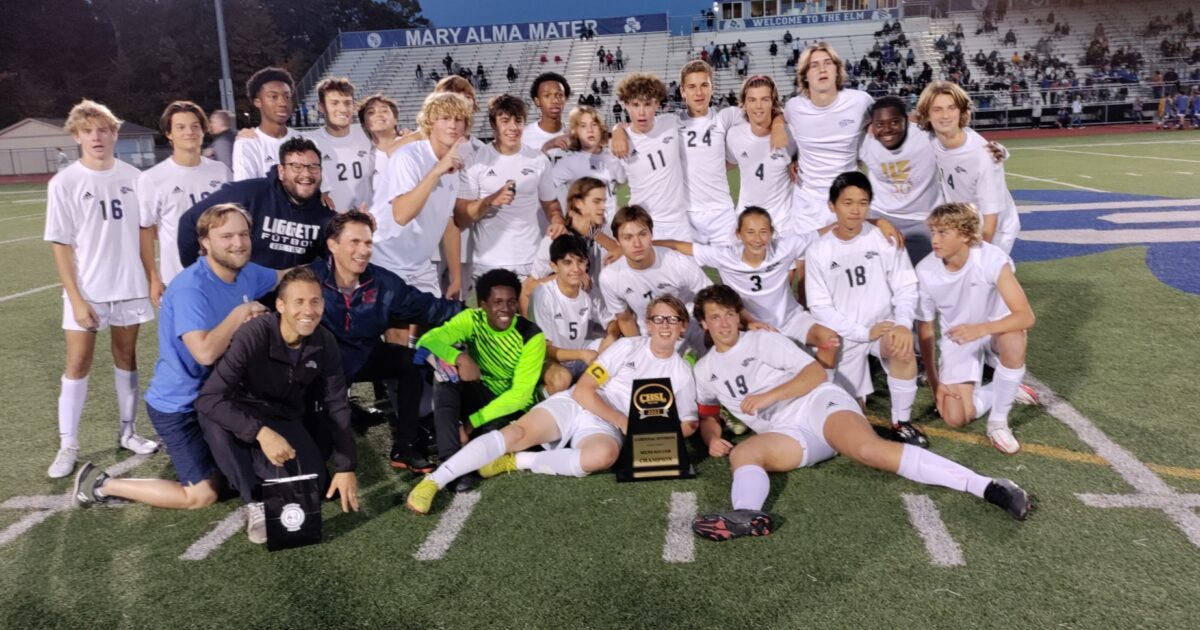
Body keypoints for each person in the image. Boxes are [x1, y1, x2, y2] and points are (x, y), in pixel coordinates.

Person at [690, 285, 1035, 541]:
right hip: (786, 433)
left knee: (869, 450)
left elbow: (813, 374)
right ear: (704, 324)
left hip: (818, 403)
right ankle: (747, 514)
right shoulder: (704, 370)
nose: (724, 323)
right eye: (715, 317)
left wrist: (770, 395)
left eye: (729, 314)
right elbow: (707, 413)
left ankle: (989, 486)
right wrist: (712, 439)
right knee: (746, 453)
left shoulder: (762, 341)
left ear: (739, 316)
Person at [72, 204, 279, 515]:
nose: (238, 242)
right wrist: (240, 313)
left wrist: (338, 257)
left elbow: (287, 276)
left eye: (243, 234)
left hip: (221, 397)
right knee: (203, 495)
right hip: (181, 405)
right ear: (205, 242)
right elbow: (205, 352)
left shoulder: (247, 272)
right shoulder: (190, 287)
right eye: (226, 236)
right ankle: (99, 484)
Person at [406, 296, 698, 514]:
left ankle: (518, 461)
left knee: (603, 456)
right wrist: (626, 424)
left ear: (682, 327)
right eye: (658, 319)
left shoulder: (682, 373)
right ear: (648, 324)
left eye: (672, 320)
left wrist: (656, 434)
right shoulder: (627, 346)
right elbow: (584, 391)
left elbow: (687, 423)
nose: (665, 326)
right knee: (516, 435)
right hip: (578, 404)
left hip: (605, 425)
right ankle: (435, 480)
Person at [192, 267, 360, 545]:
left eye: (315, 301)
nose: (309, 310)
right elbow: (209, 398)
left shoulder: (325, 341)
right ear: (280, 305)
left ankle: (255, 465)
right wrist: (261, 433)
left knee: (316, 486)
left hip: (283, 415)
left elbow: (337, 404)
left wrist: (345, 466)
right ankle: (252, 499)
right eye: (299, 302)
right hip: (239, 409)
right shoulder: (254, 334)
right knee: (215, 422)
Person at [45, 100, 160, 479]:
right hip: (88, 292)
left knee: (126, 359)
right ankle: (68, 444)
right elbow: (61, 246)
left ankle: (127, 431)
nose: (96, 137)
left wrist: (151, 276)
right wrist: (76, 299)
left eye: (103, 130)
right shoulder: (64, 182)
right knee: (78, 364)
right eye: (87, 131)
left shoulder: (135, 177)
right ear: (76, 136)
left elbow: (146, 234)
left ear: (114, 134)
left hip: (129, 286)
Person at [309, 210, 462, 471]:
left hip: (364, 356)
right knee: (319, 457)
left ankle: (405, 445)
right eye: (354, 242)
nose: (363, 250)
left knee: (408, 362)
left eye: (368, 243)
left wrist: (472, 314)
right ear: (332, 245)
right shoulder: (310, 280)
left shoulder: (383, 282)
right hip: (322, 370)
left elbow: (426, 306)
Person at [804, 173, 925, 446]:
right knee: (845, 422)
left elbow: (906, 287)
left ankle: (901, 422)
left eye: (863, 202)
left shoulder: (885, 238)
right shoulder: (819, 250)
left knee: (903, 347)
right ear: (832, 206)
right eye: (847, 202)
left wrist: (903, 323)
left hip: (882, 327)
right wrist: (862, 332)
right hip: (845, 336)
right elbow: (820, 307)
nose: (856, 210)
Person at [916, 203, 1039, 455]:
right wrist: (934, 382)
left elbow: (1025, 316)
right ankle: (1003, 387)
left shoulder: (991, 258)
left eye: (943, 233)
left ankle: (998, 423)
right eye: (933, 232)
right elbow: (925, 330)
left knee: (1014, 337)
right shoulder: (925, 270)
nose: (935, 240)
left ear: (965, 235)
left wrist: (981, 329)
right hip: (958, 338)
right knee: (955, 417)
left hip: (994, 329)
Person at [415, 269, 547, 491]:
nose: (505, 309)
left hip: (508, 408)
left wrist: (470, 423)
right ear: (483, 304)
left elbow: (520, 395)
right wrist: (459, 357)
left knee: (485, 455)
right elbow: (426, 342)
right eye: (497, 302)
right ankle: (450, 461)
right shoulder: (471, 319)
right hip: (478, 391)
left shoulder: (531, 336)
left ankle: (465, 441)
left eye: (511, 302)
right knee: (444, 377)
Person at [654, 207, 837, 363]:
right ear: (739, 234)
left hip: (792, 320)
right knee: (776, 365)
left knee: (830, 341)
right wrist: (642, 246)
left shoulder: (785, 247)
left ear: (772, 233)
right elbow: (677, 245)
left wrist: (859, 221)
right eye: (750, 232)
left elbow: (821, 233)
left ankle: (823, 388)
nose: (757, 239)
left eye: (763, 232)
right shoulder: (725, 256)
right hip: (752, 328)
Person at [455, 95, 566, 285]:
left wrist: (557, 220)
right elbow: (462, 216)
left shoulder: (538, 160)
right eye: (505, 121)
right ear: (493, 124)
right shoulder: (476, 161)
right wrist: (490, 200)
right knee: (496, 315)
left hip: (532, 260)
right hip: (489, 262)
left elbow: (551, 203)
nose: (513, 127)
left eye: (518, 121)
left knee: (529, 316)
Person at [178, 137, 335, 271]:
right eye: (297, 167)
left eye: (313, 167)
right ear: (281, 171)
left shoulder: (324, 214)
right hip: (244, 300)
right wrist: (199, 272)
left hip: (292, 303)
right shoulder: (248, 194)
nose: (306, 174)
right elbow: (190, 221)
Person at [138, 101, 231, 299]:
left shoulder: (221, 171)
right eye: (180, 127)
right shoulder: (153, 178)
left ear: (203, 130)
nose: (189, 132)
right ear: (169, 133)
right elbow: (145, 229)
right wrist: (153, 278)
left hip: (221, 273)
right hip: (178, 276)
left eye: (195, 126)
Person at [917, 82, 1021, 253]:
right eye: (937, 109)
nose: (945, 115)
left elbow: (990, 217)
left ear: (962, 111)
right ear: (927, 115)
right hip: (961, 219)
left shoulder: (981, 156)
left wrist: (980, 258)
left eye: (952, 108)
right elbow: (912, 119)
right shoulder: (933, 138)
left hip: (994, 228)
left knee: (986, 276)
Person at [598, 205, 711, 360]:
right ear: (617, 241)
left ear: (651, 234)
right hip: (650, 334)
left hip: (690, 324)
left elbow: (711, 296)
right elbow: (625, 319)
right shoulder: (610, 277)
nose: (637, 244)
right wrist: (637, 351)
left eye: (642, 234)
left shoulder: (677, 262)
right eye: (628, 237)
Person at [784, 43, 875, 235]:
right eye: (814, 65)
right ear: (805, 75)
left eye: (827, 63)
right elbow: (791, 133)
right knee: (803, 262)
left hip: (849, 197)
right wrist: (794, 158)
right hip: (808, 202)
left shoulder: (860, 101)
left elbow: (888, 120)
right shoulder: (794, 108)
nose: (822, 69)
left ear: (837, 69)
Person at [610, 73, 692, 240]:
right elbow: (612, 185)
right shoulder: (619, 144)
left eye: (647, 104)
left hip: (680, 223)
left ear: (656, 104)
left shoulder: (671, 123)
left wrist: (616, 128)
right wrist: (617, 130)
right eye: (635, 104)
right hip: (642, 225)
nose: (642, 112)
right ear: (626, 105)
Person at [528, 234, 610, 390]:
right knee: (562, 379)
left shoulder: (588, 289)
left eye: (580, 261)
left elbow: (611, 321)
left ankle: (593, 396)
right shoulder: (543, 294)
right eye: (567, 262)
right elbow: (545, 349)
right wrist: (582, 354)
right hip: (549, 359)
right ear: (554, 266)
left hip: (579, 354)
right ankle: (539, 396)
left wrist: (611, 337)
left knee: (613, 349)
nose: (576, 269)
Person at [724, 75, 797, 233]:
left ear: (773, 102)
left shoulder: (790, 135)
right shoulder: (734, 136)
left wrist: (796, 160)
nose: (758, 106)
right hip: (746, 224)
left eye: (764, 99)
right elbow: (729, 163)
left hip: (782, 226)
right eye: (752, 100)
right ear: (744, 104)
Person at [550, 106, 625, 234]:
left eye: (594, 124)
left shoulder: (613, 158)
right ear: (575, 132)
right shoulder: (568, 162)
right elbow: (545, 189)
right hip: (584, 233)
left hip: (613, 229)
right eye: (583, 126)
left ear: (601, 128)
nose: (590, 130)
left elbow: (624, 187)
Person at [309, 77, 374, 213]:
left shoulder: (367, 132)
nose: (343, 109)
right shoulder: (310, 141)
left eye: (347, 103)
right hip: (331, 223)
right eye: (334, 103)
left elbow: (393, 141)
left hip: (367, 221)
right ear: (321, 107)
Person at [232, 67, 300, 181]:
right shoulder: (247, 144)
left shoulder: (306, 141)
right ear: (258, 102)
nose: (282, 102)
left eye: (287, 96)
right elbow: (246, 193)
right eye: (273, 97)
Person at [523, 72, 572, 166]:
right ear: (537, 101)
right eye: (547, 95)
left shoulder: (574, 135)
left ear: (565, 99)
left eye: (559, 95)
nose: (555, 100)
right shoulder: (523, 137)